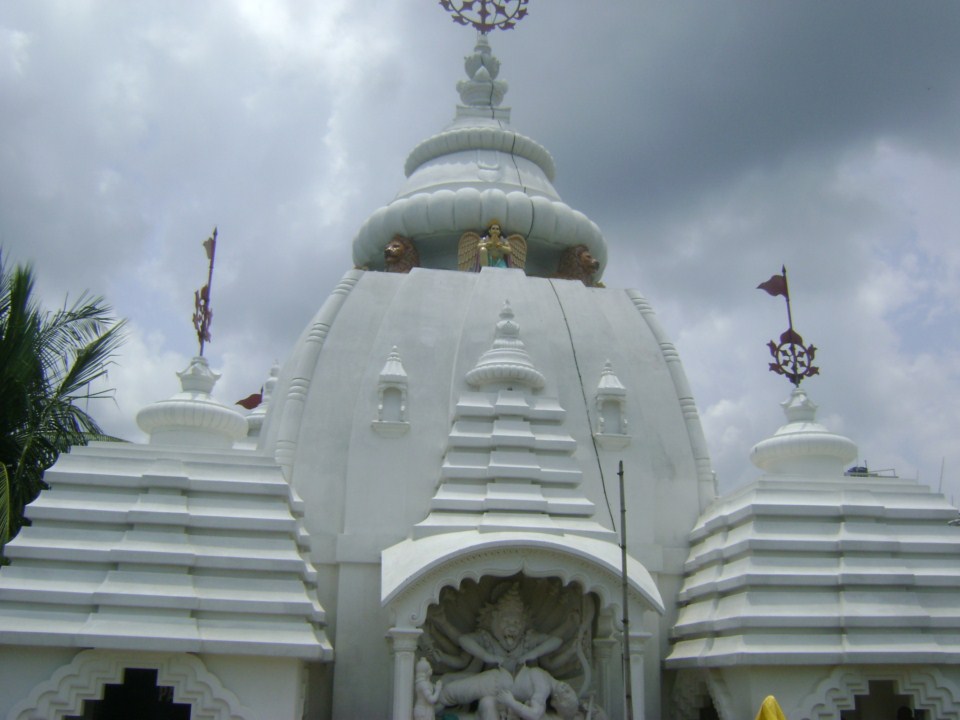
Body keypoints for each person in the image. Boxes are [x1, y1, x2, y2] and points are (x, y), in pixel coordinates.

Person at [457, 584, 562, 674]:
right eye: (506, 621)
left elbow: (556, 640)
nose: (512, 627)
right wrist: (486, 656)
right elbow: (463, 639)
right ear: (495, 618)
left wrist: (533, 654)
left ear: (523, 621)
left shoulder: (528, 640)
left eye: (516, 622)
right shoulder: (487, 639)